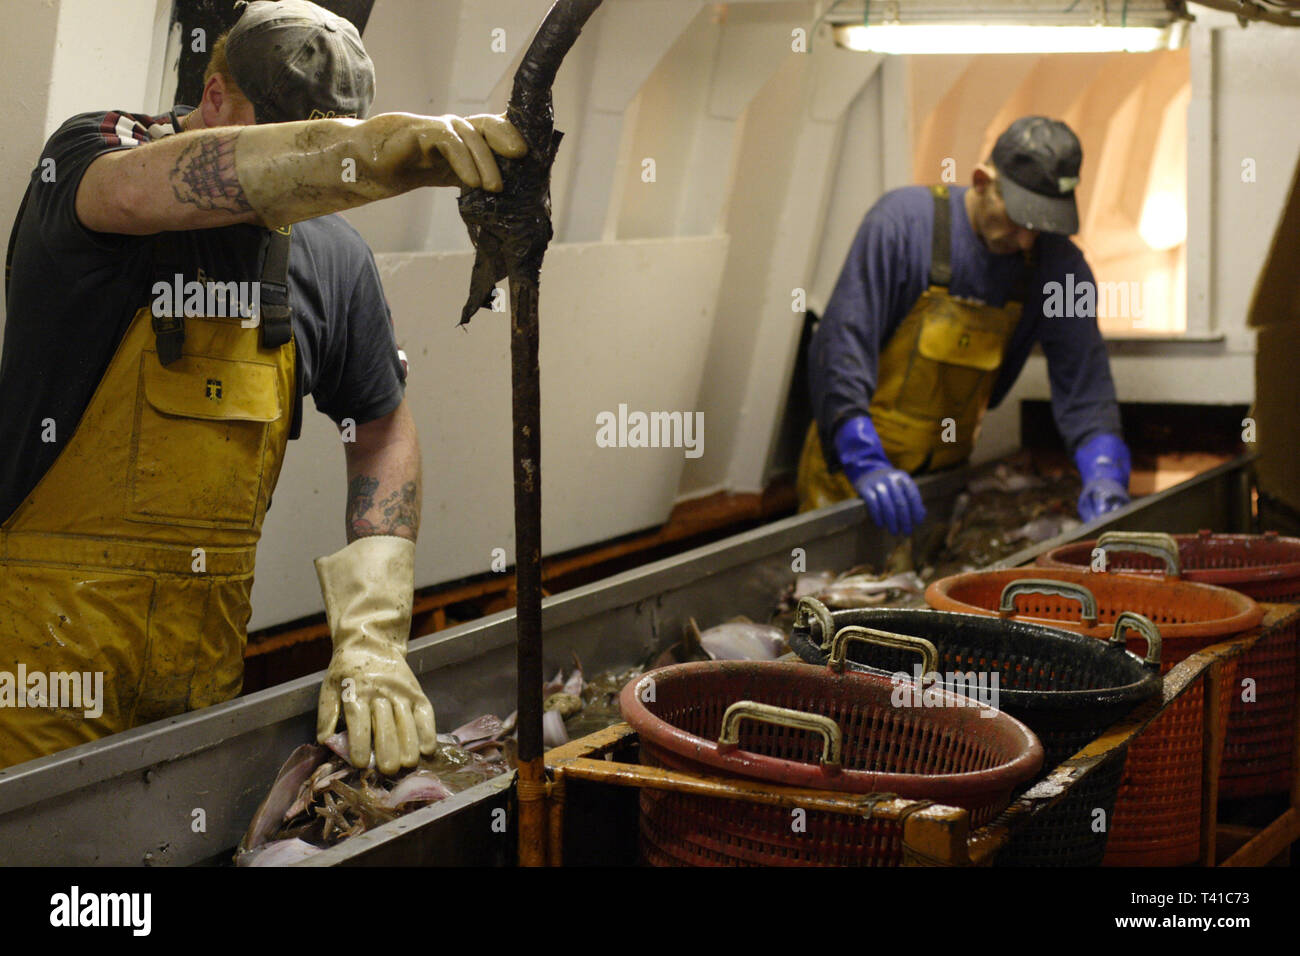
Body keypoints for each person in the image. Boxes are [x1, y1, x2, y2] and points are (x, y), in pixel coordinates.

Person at [0, 0, 527, 773]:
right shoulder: (96, 153)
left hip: (201, 655)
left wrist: (375, 628)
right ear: (213, 96)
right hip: (42, 658)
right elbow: (133, 193)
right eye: (289, 137)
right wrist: (369, 151)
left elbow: (379, 427)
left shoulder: (334, 258)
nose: (312, 169)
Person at [798, 115, 1131, 535]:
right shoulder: (899, 225)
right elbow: (841, 348)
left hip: (944, 483)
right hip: (850, 477)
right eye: (1019, 219)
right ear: (980, 181)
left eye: (1042, 225)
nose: (1027, 240)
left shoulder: (1062, 268)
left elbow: (1087, 386)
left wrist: (1104, 471)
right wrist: (864, 462)